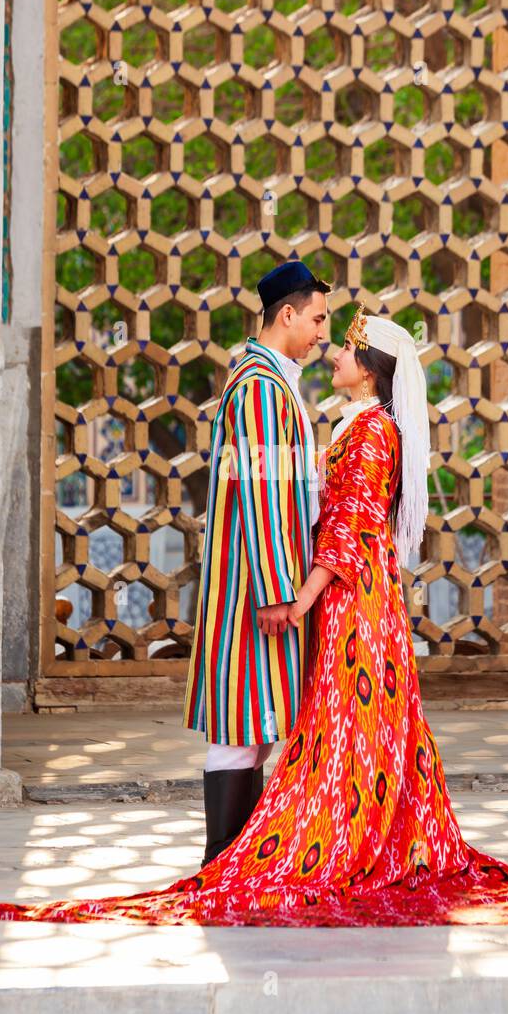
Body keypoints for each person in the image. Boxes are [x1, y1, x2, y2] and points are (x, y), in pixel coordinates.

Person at [0, 306, 508, 927]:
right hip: (365, 599)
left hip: (352, 601)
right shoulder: (367, 425)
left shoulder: (368, 434)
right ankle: (307, 845)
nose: (334, 353)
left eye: (347, 349)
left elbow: (353, 526)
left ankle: (318, 849)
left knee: (344, 729)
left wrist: (297, 598)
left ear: (372, 369)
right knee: (355, 733)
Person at [182, 259, 329, 865]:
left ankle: (238, 863)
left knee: (255, 729)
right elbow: (264, 492)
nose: (324, 332)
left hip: (256, 582)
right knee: (244, 729)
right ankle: (222, 863)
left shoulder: (269, 380)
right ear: (286, 314)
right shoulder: (263, 388)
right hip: (255, 588)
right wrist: (275, 592)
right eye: (318, 319)